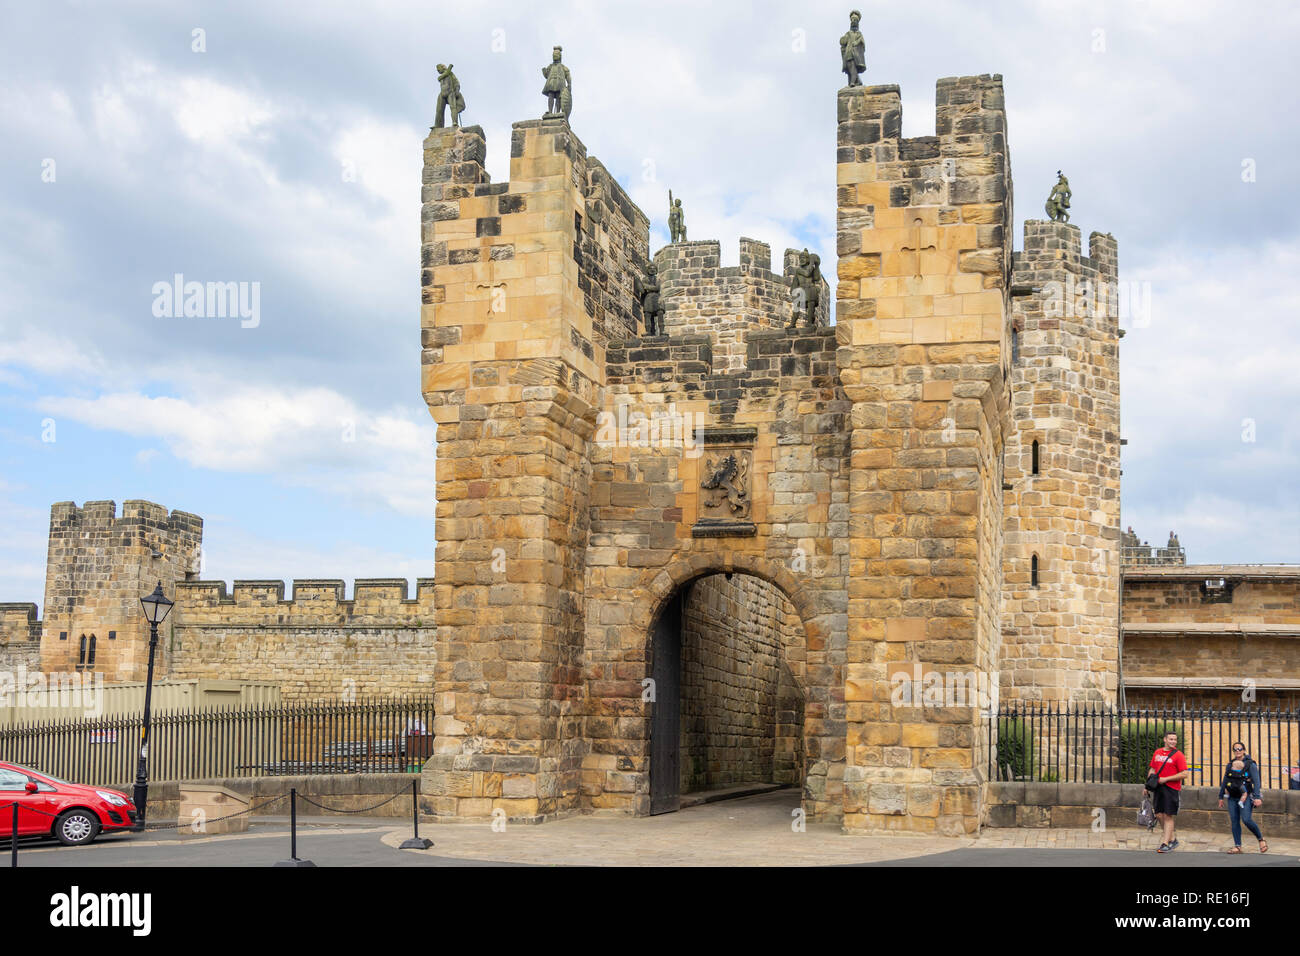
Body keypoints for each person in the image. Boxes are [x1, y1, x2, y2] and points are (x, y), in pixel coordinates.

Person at [1218, 742, 1267, 854]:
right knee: (1234, 821)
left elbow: (1256, 782)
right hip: (1232, 797)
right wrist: (1221, 796)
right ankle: (1238, 846)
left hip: (1245, 797)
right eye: (1235, 749)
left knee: (1246, 819)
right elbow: (1225, 781)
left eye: (1240, 749)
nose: (1238, 751)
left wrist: (1257, 797)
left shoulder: (1250, 764)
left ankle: (1261, 839)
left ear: (1244, 750)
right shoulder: (1230, 765)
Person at [1147, 730, 1189, 853]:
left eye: (1175, 739)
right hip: (1158, 788)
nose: (1173, 741)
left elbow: (1185, 773)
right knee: (1159, 814)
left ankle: (1165, 843)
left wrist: (1166, 779)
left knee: (1168, 815)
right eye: (1171, 739)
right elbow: (1153, 769)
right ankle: (1172, 839)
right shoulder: (1158, 752)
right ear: (1165, 739)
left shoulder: (1178, 755)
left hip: (1172, 788)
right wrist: (1147, 786)